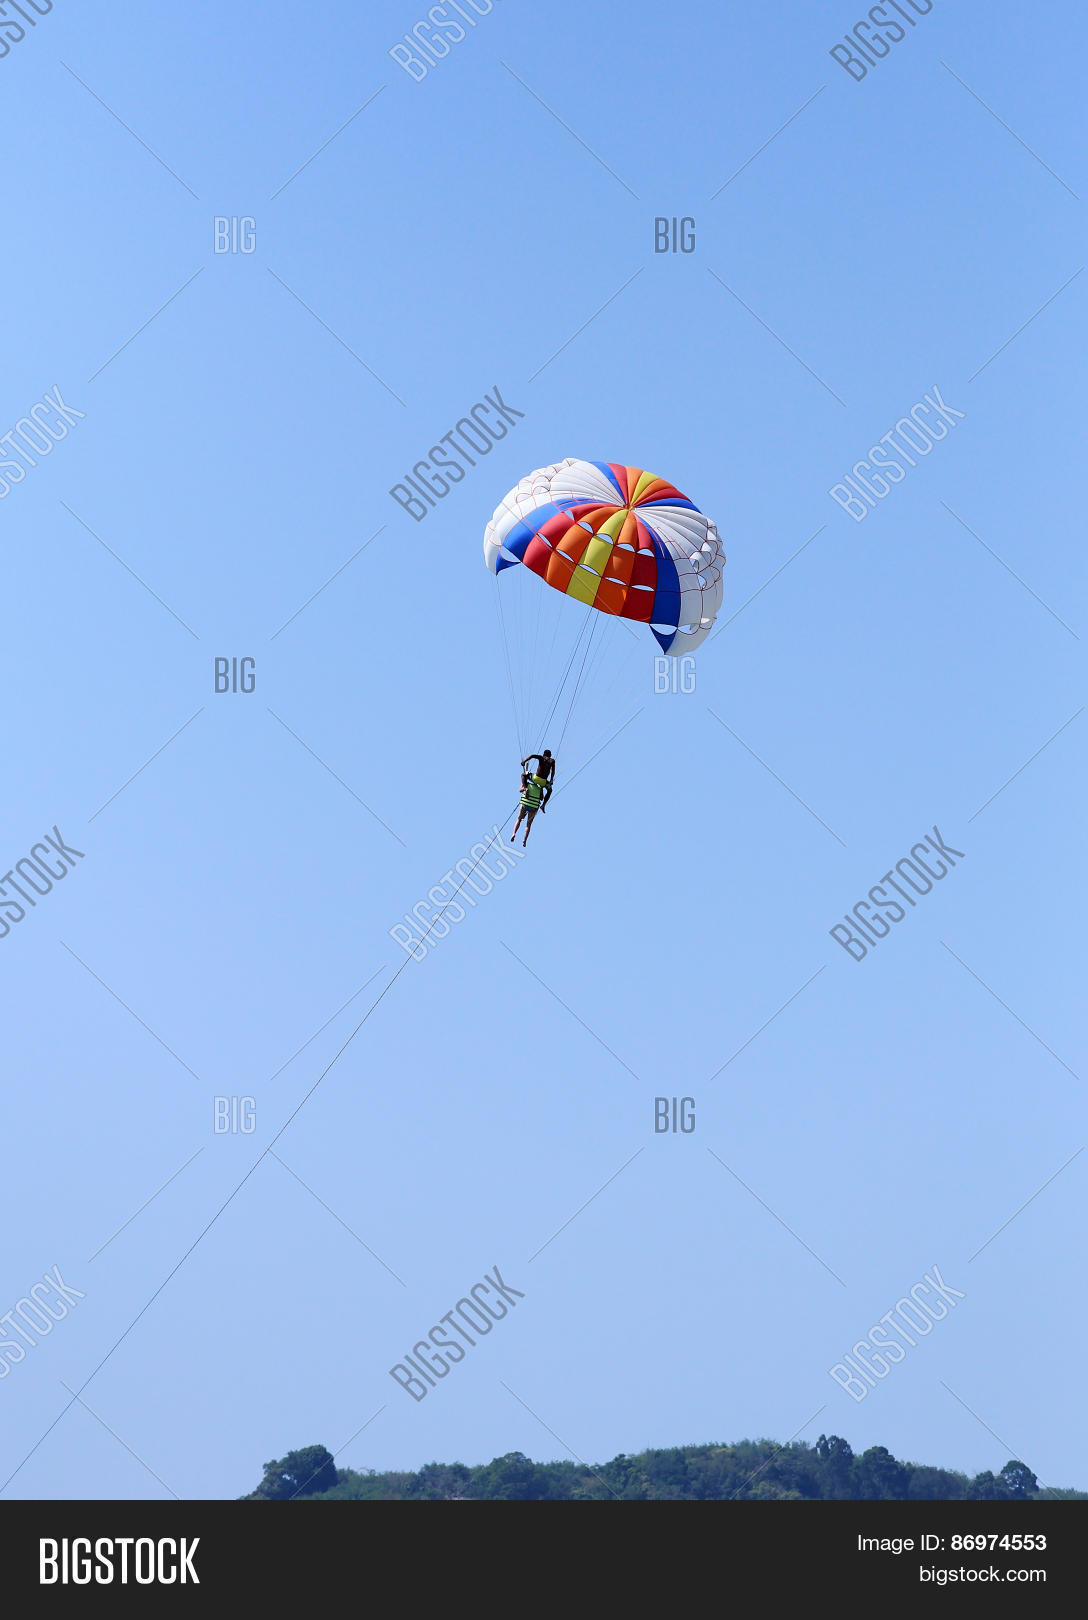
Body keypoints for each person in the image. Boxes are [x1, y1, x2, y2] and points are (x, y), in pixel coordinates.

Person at [511, 768, 551, 846]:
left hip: (525, 804)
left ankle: (514, 833)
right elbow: (541, 798)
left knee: (519, 820)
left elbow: (520, 790)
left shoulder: (527, 785)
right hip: (533, 807)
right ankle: (524, 840)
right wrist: (541, 789)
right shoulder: (539, 789)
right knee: (528, 825)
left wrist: (525, 788)